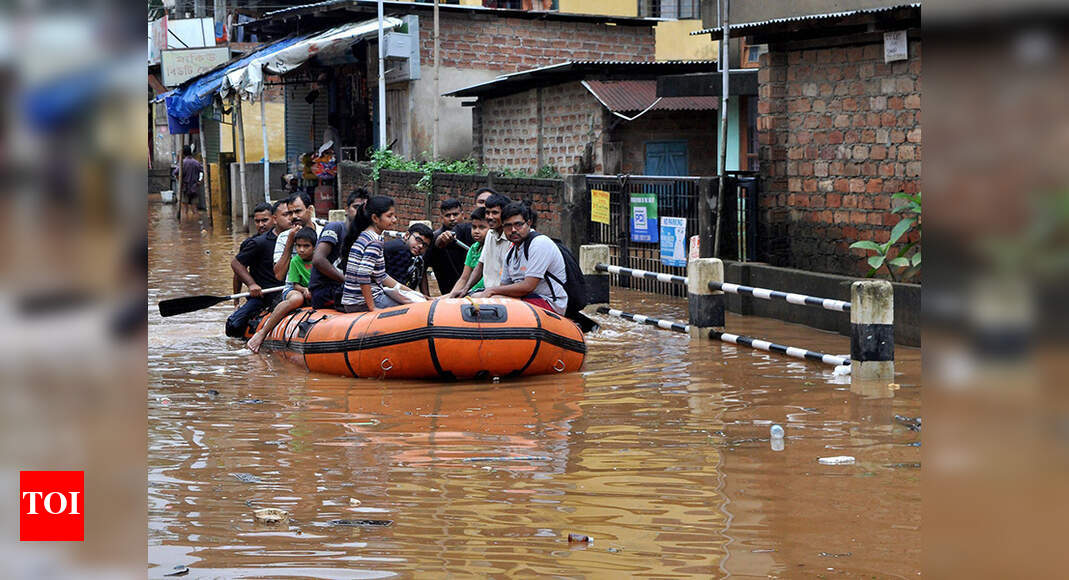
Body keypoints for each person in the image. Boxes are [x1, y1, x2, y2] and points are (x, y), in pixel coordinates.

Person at [473, 202, 568, 315]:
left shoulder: (539, 243)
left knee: (491, 300)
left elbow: (528, 286)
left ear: (529, 223)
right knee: (476, 297)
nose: (513, 230)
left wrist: (492, 290)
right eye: (508, 226)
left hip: (548, 303)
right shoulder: (511, 253)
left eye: (518, 224)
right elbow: (504, 287)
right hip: (525, 299)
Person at [340, 196, 420, 313]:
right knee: (414, 308)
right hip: (362, 303)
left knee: (416, 298)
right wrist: (372, 307)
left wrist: (412, 292)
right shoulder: (374, 242)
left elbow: (382, 276)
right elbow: (363, 275)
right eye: (389, 216)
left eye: (394, 215)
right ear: (375, 218)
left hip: (352, 301)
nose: (394, 220)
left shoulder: (364, 236)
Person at [246, 227, 318, 353]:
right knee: (297, 299)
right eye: (298, 246)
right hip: (296, 289)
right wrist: (304, 290)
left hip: (315, 290)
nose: (301, 250)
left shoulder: (319, 260)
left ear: (314, 247)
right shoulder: (295, 261)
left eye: (306, 246)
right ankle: (262, 332)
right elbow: (295, 284)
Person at [226, 203, 287, 338]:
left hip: (284, 292)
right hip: (261, 296)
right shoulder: (254, 243)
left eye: (264, 220)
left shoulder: (291, 239)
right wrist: (248, 288)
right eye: (257, 221)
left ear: (274, 219)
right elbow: (238, 269)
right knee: (233, 325)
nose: (261, 225)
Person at [425, 198, 474, 295]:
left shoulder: (473, 233)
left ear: (462, 215)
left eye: (455, 214)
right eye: (448, 215)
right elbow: (423, 267)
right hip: (448, 293)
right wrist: (426, 296)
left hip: (474, 290)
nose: (452, 218)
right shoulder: (434, 238)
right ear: (441, 218)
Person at [273, 192, 321, 282]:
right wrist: (290, 242)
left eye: (298, 211)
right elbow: (279, 275)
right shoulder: (284, 237)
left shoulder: (324, 233)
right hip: (294, 287)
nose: (294, 216)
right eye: (290, 213)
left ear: (310, 210)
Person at [447, 206, 490, 297]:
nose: (476, 231)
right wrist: (451, 296)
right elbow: (464, 278)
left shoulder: (492, 248)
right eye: (474, 227)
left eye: (482, 227)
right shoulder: (473, 248)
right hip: (470, 291)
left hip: (483, 292)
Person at [384, 223, 434, 297]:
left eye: (425, 245)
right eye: (418, 240)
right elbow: (397, 289)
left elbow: (422, 274)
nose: (421, 246)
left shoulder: (415, 256)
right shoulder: (401, 250)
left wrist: (426, 297)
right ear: (407, 235)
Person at [175, 145, 203, 221]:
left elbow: (176, 173)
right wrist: (200, 181)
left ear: (183, 153)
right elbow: (203, 172)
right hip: (194, 187)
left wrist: (180, 182)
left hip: (185, 187)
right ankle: (196, 223)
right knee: (195, 210)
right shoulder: (196, 162)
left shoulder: (182, 163)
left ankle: (186, 224)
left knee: (185, 210)